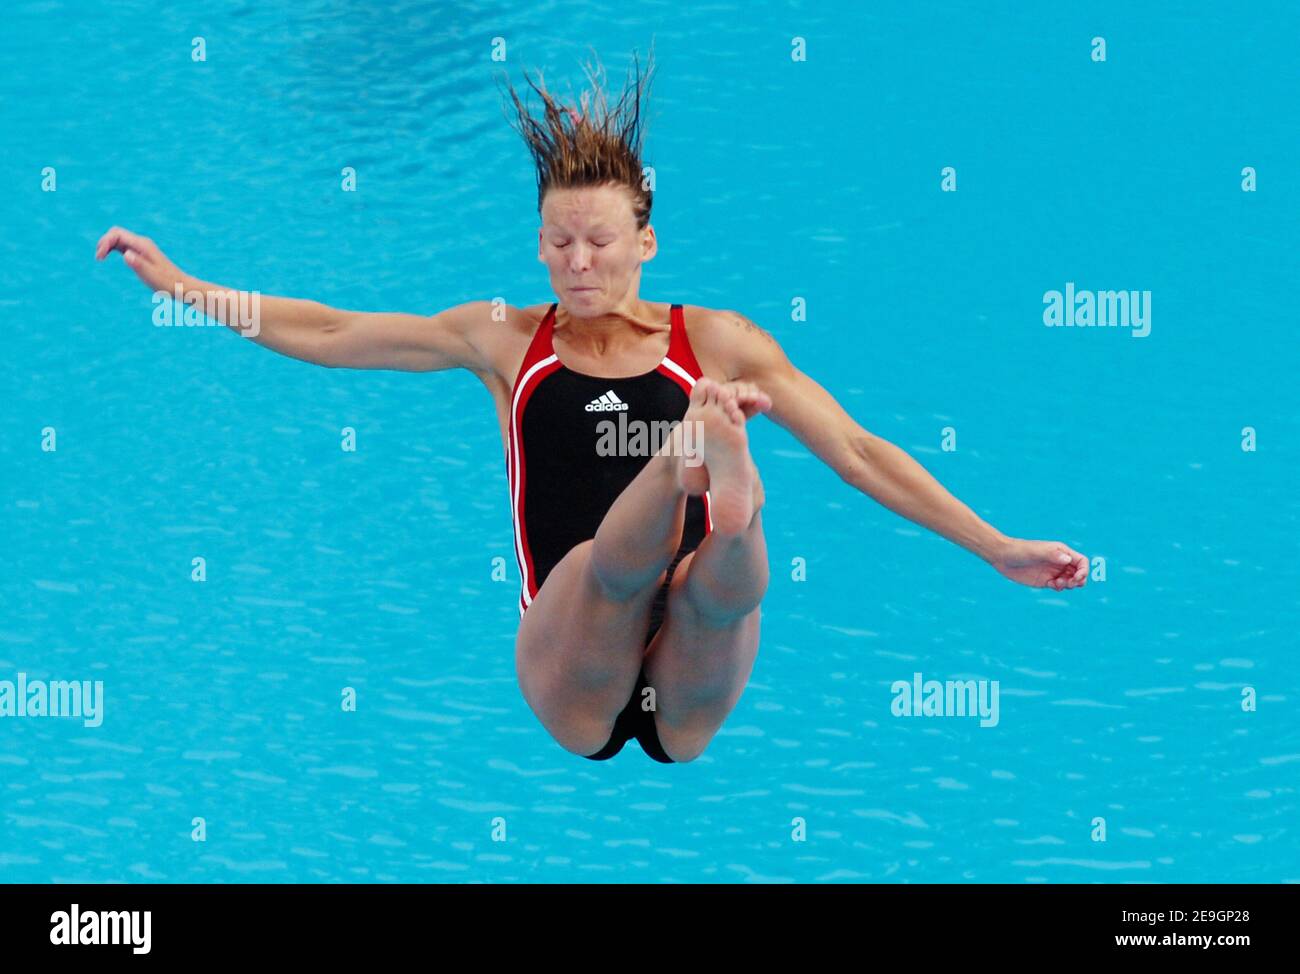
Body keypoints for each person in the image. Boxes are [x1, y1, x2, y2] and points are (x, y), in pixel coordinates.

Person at [94, 50, 1087, 764]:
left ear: (646, 240)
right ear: (537, 245)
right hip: (571, 670)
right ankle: (694, 456)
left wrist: (994, 545)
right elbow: (329, 332)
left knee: (728, 577)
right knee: (605, 567)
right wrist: (186, 286)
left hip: (687, 682)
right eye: (560, 243)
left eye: (602, 242)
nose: (580, 263)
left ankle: (723, 490)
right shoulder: (502, 338)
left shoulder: (723, 339)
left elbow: (861, 452)